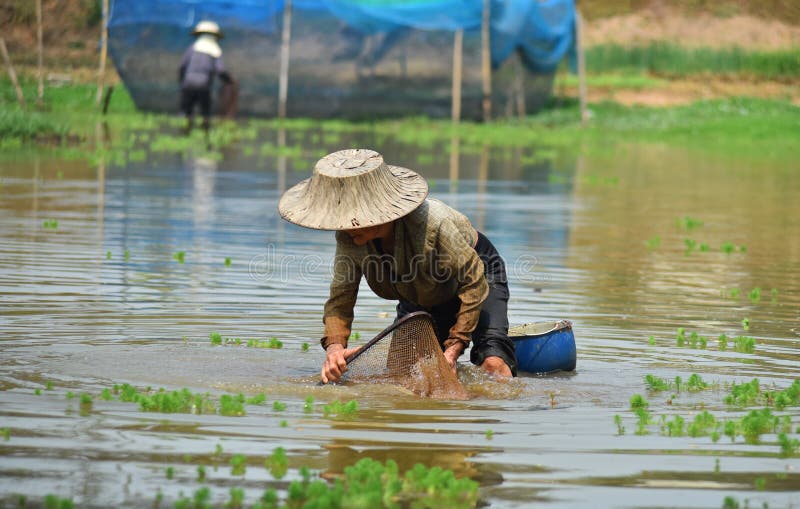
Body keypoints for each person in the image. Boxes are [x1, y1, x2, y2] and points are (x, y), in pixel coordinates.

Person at [278, 149, 517, 384]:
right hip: (420, 290)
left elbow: (473, 282)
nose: (345, 227)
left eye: (351, 219)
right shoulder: (348, 238)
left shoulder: (433, 223)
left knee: (492, 364)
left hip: (477, 275)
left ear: (376, 213)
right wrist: (335, 350)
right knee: (401, 374)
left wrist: (454, 349)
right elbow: (341, 298)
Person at [178, 20, 233, 134]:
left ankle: (183, 133)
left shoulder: (192, 48)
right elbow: (220, 70)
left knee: (185, 111)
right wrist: (228, 80)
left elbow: (182, 66)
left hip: (188, 84)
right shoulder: (215, 50)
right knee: (205, 113)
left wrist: (182, 81)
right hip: (203, 86)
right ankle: (205, 133)